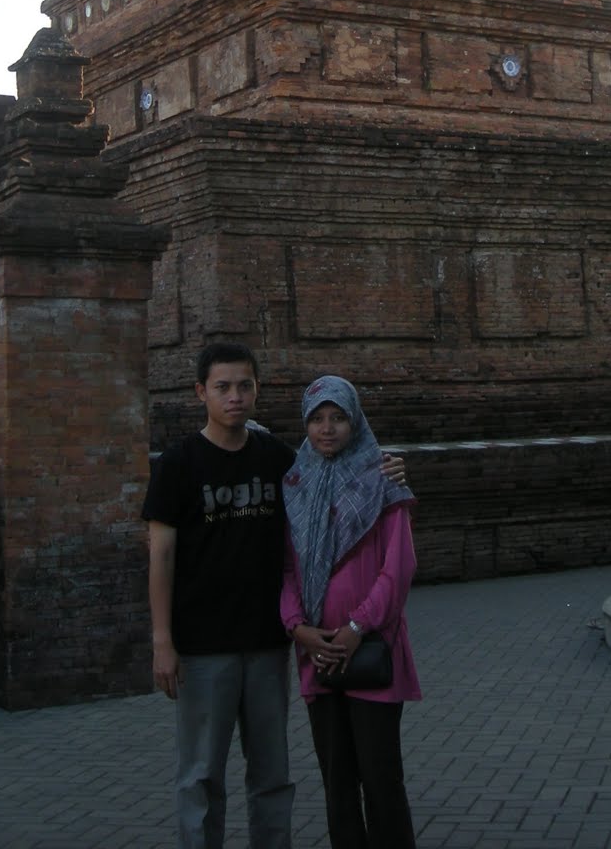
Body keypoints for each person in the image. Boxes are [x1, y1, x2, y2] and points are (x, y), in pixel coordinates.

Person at [142, 344, 404, 849]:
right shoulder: (179, 464)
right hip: (202, 646)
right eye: (222, 387)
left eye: (245, 386)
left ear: (257, 390)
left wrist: (390, 473)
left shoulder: (279, 460)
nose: (234, 397)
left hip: (268, 644)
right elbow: (162, 557)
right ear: (201, 393)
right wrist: (161, 640)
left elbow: (337, 474)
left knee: (272, 774)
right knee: (200, 775)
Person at [281, 375, 420, 849]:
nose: (326, 428)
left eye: (337, 417)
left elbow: (397, 569)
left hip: (370, 649)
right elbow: (286, 571)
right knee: (338, 783)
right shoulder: (295, 485)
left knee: (381, 780)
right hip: (318, 655)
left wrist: (357, 627)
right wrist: (299, 628)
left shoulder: (382, 481)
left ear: (354, 420)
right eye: (317, 419)